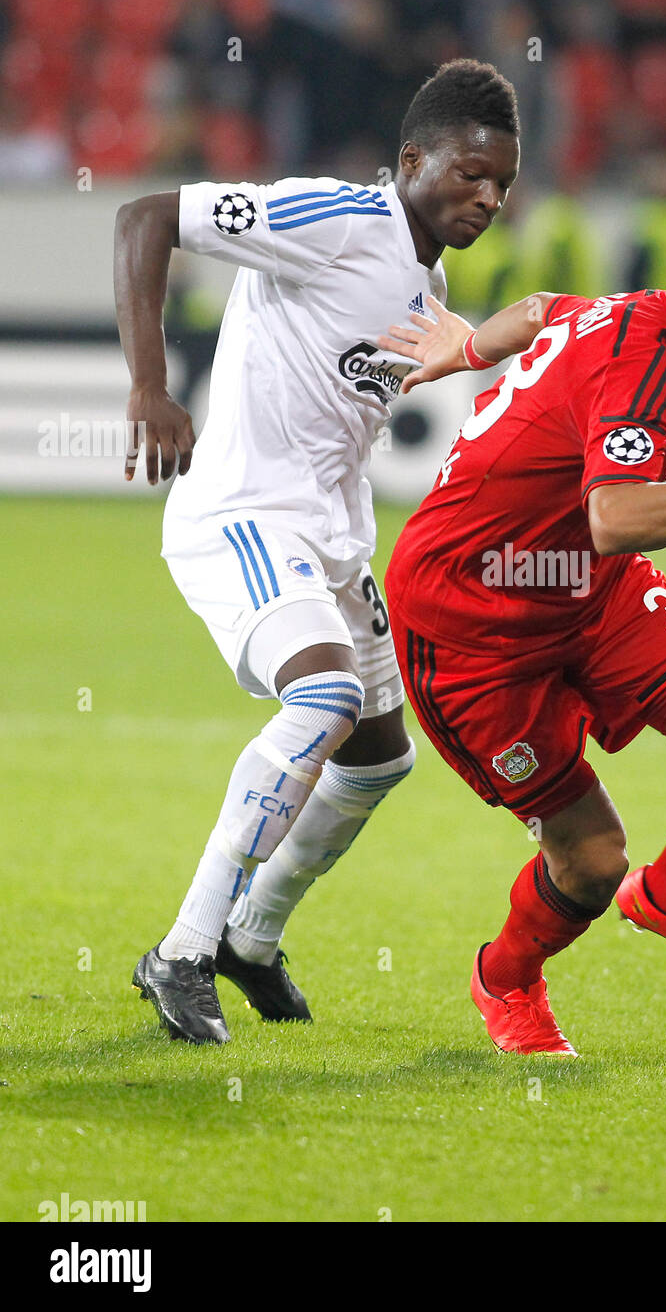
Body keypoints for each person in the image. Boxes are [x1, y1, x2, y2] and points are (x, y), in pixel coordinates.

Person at [380, 174, 666, 1055]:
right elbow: (617, 517)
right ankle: (506, 978)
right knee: (590, 861)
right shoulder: (649, 364)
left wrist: (468, 347)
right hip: (469, 618)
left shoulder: (633, 312)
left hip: (585, 585)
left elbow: (540, 307)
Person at [114, 59, 521, 1044]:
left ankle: (251, 937)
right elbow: (143, 217)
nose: (488, 197)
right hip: (245, 515)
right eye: (470, 173)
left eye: (502, 184)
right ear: (412, 157)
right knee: (327, 697)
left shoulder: (427, 275)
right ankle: (182, 950)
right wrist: (151, 387)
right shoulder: (336, 218)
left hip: (333, 538)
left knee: (382, 762)